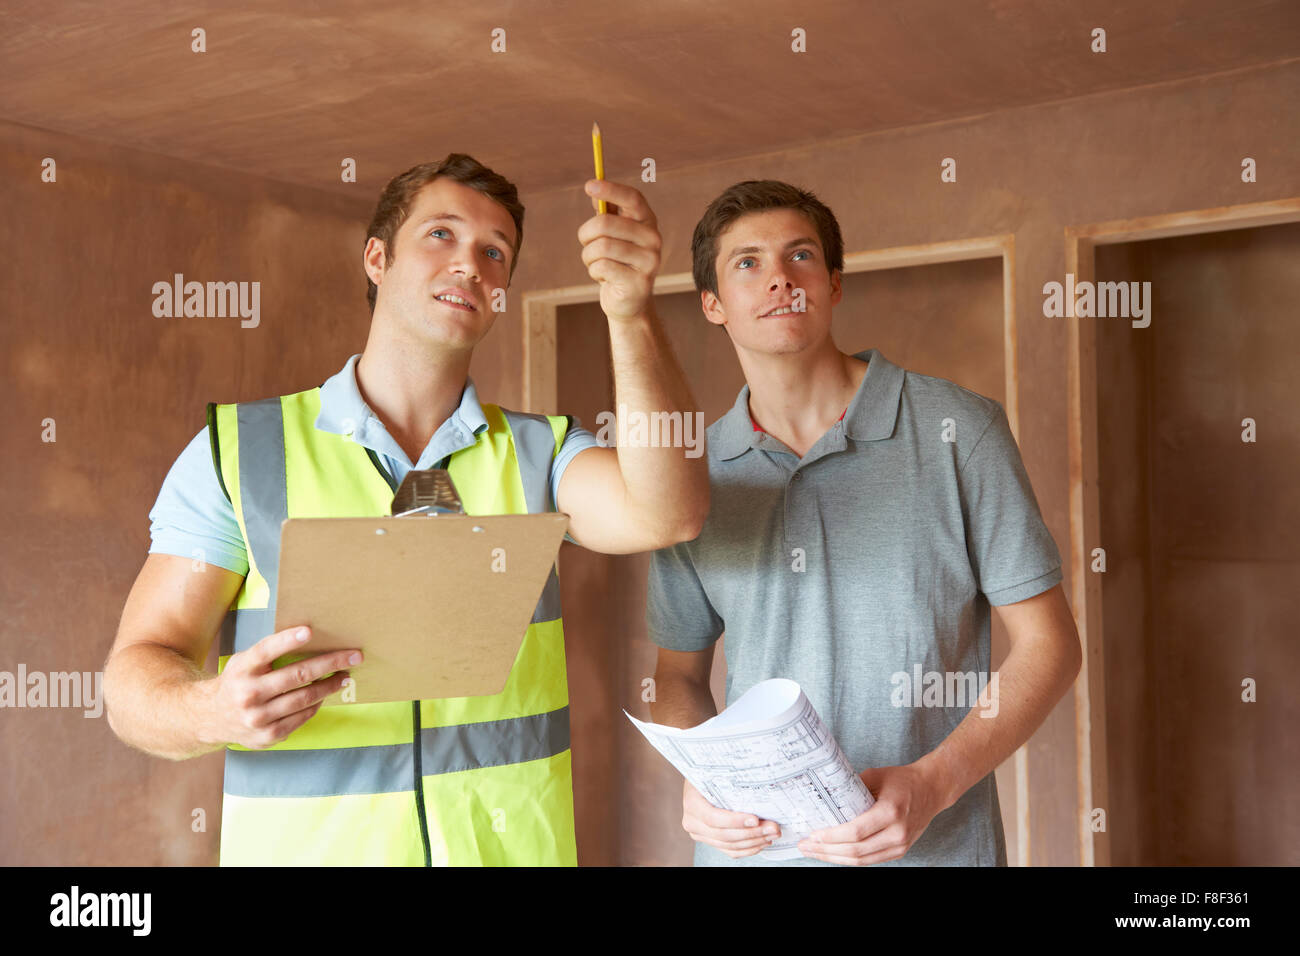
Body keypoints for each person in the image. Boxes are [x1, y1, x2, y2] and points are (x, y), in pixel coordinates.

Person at [104, 153, 707, 866]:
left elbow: (665, 513)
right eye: (440, 235)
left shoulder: (541, 451)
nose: (470, 265)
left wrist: (631, 311)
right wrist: (212, 709)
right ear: (376, 258)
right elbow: (135, 680)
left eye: (494, 252)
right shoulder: (240, 452)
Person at [646, 180, 1081, 866]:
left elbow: (1050, 646)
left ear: (833, 284)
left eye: (801, 256)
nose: (781, 278)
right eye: (748, 263)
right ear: (712, 304)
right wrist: (701, 778)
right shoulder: (694, 476)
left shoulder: (959, 431)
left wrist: (934, 784)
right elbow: (677, 675)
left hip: (937, 852)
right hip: (756, 857)